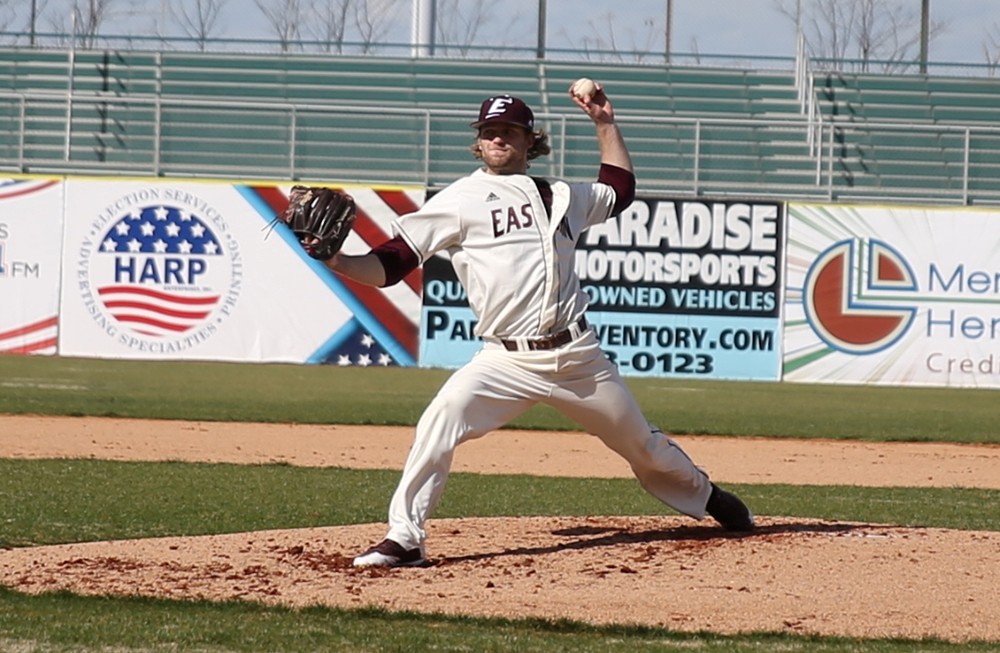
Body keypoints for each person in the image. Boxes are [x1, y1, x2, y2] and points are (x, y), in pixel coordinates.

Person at [323, 85, 755, 568]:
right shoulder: (460, 199)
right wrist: (337, 259)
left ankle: (707, 496)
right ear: (479, 142)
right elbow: (390, 265)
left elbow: (619, 190)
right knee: (440, 420)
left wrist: (604, 122)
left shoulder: (565, 196)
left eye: (509, 131)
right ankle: (404, 536)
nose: (498, 138)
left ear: (531, 141)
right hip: (504, 361)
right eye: (489, 131)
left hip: (578, 359)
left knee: (643, 445)